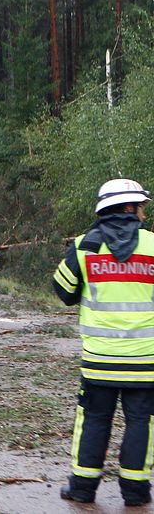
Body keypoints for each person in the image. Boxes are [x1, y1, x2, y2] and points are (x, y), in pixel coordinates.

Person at [53, 179, 154, 506]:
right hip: (145, 359)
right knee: (141, 422)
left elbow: (63, 290)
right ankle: (136, 492)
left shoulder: (86, 245)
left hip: (99, 359)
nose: (143, 212)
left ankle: (83, 488)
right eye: (141, 207)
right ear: (129, 208)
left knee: (94, 420)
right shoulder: (152, 245)